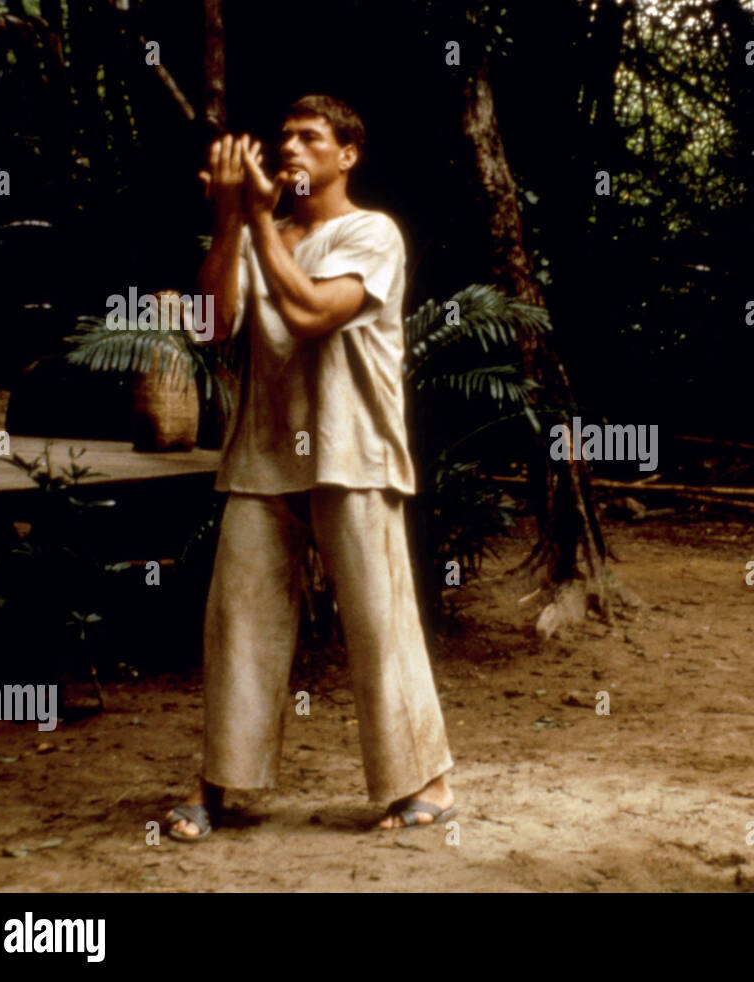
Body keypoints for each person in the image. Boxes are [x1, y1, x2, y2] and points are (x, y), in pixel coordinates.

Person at [164, 94, 455, 840]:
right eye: (283, 136)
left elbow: (311, 313)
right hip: (263, 454)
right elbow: (210, 324)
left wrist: (258, 220)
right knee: (238, 621)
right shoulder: (268, 232)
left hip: (353, 449)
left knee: (377, 621)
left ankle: (427, 783)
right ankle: (221, 784)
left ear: (347, 154)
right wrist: (231, 219)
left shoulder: (372, 233)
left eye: (309, 137)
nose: (289, 147)